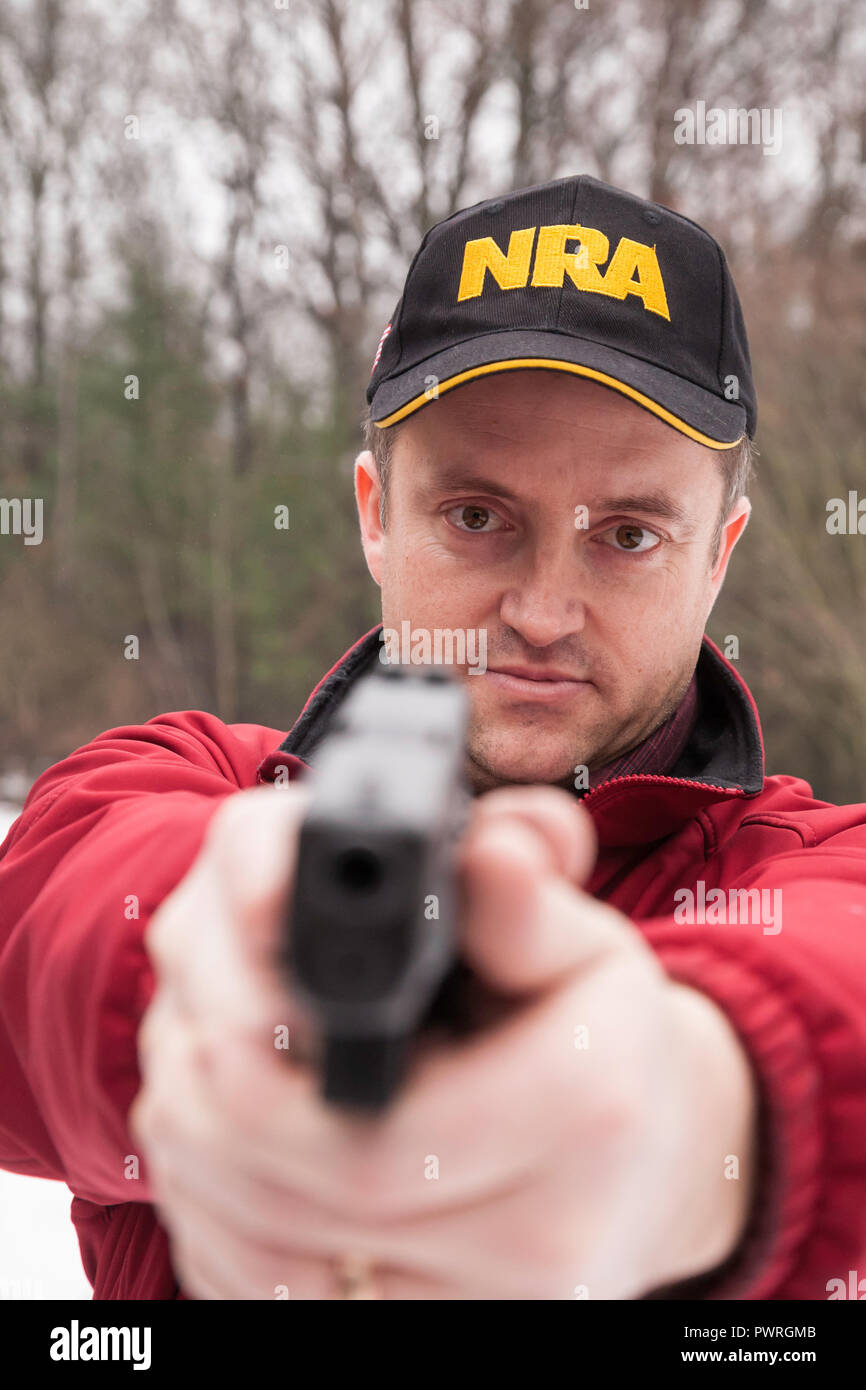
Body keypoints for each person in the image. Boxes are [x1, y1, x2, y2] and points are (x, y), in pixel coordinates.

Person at [1, 174, 864, 1301]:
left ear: (718, 555)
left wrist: (700, 1106)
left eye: (628, 535)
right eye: (475, 517)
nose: (543, 612)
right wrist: (226, 959)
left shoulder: (812, 863)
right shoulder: (184, 779)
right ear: (373, 513)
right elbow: (40, 942)